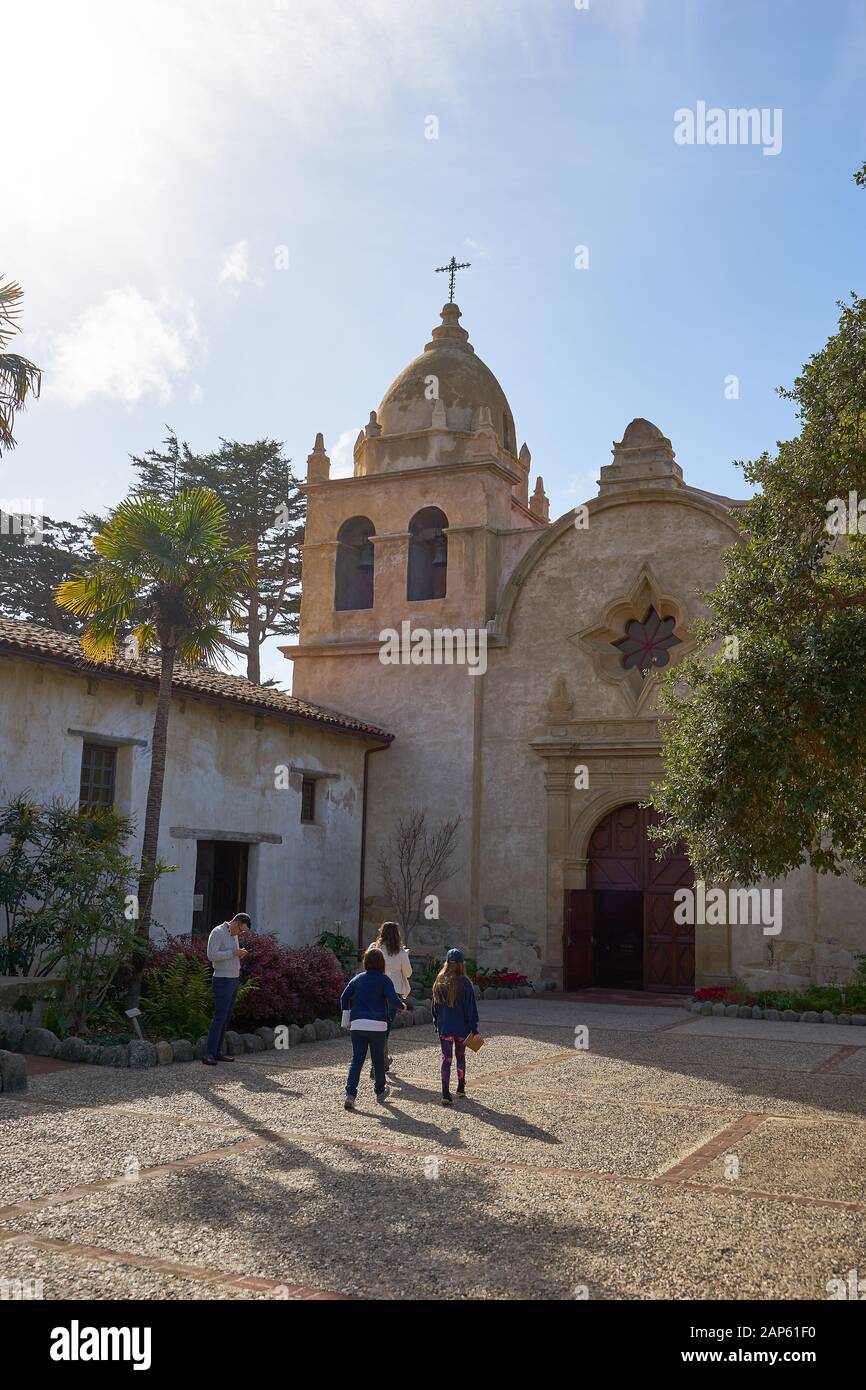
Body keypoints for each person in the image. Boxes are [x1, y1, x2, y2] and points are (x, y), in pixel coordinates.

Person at [341, 946, 406, 1110]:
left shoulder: (357, 979)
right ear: (381, 963)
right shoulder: (385, 980)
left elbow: (344, 997)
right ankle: (379, 1091)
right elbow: (392, 999)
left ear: (366, 962)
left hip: (357, 1024)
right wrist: (402, 1006)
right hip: (378, 1025)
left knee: (357, 1060)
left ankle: (350, 1094)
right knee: (377, 1060)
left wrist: (346, 1016)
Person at [432, 948, 479, 1106]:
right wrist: (474, 1028)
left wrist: (436, 1023)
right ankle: (460, 1087)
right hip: (461, 1028)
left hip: (445, 1027)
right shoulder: (465, 982)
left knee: (446, 1058)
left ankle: (445, 1092)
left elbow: (435, 1006)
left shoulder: (439, 980)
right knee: (460, 1055)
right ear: (461, 964)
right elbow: (471, 1008)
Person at [203, 912, 251, 1066]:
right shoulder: (218, 932)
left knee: (226, 1018)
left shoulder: (234, 935)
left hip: (233, 979)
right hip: (222, 980)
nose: (241, 933)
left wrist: (238, 954)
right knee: (219, 1017)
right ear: (235, 923)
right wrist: (233, 953)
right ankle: (209, 1053)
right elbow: (211, 955)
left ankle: (217, 1052)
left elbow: (229, 955)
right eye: (241, 930)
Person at [369, 920, 412, 1076]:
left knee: (378, 1027)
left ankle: (384, 1060)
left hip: (374, 990)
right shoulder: (400, 953)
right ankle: (377, 1064)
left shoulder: (375, 949)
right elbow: (408, 973)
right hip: (394, 991)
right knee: (385, 1029)